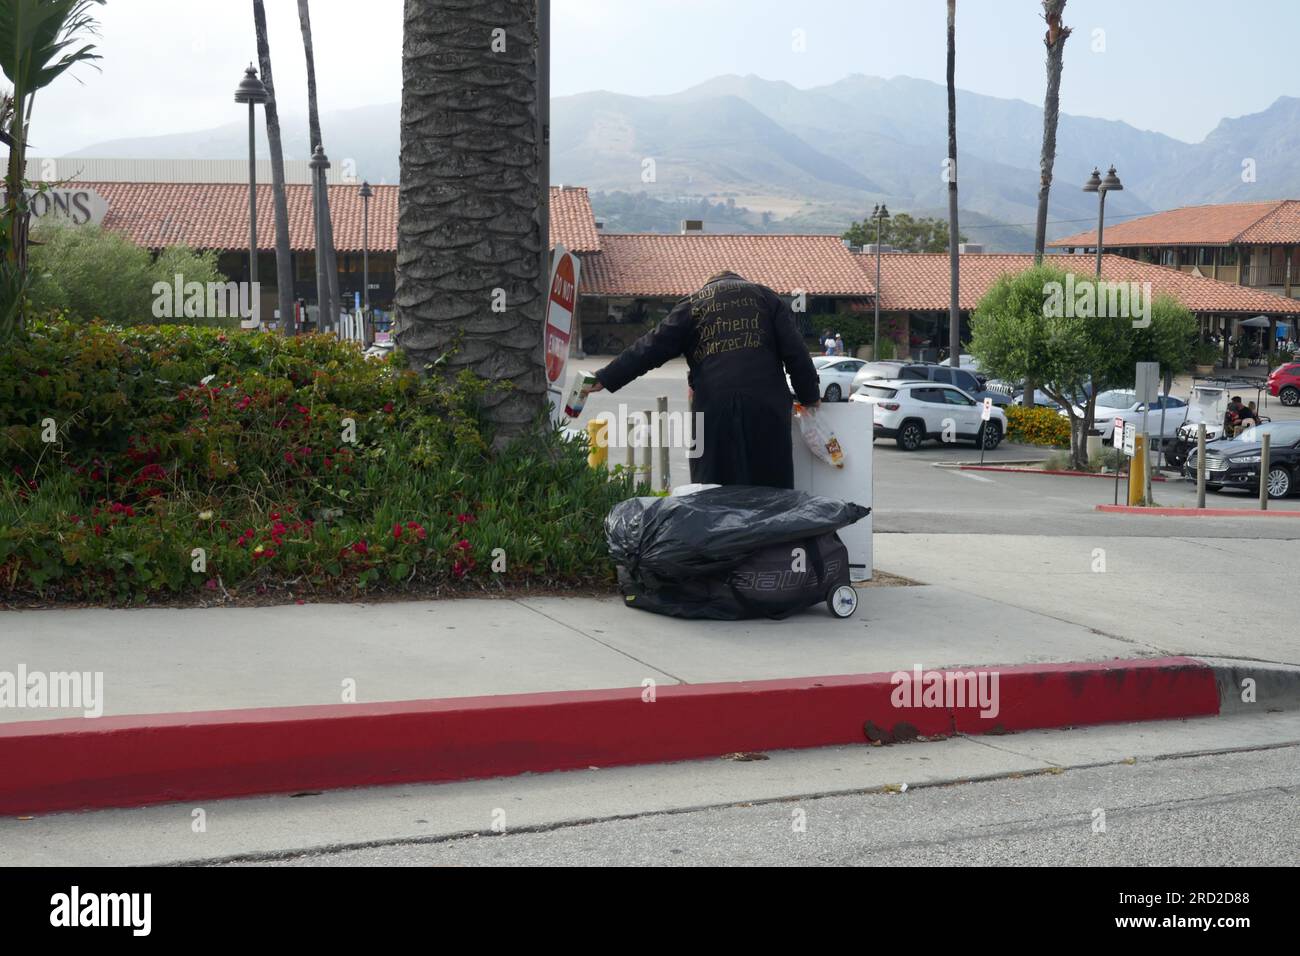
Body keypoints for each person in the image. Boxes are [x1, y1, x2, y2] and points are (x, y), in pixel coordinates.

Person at [585, 270, 821, 488]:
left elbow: (649, 347)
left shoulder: (693, 304)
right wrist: (810, 396)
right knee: (771, 488)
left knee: (713, 490)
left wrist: (605, 377)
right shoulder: (767, 299)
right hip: (767, 408)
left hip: (712, 409)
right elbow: (796, 353)